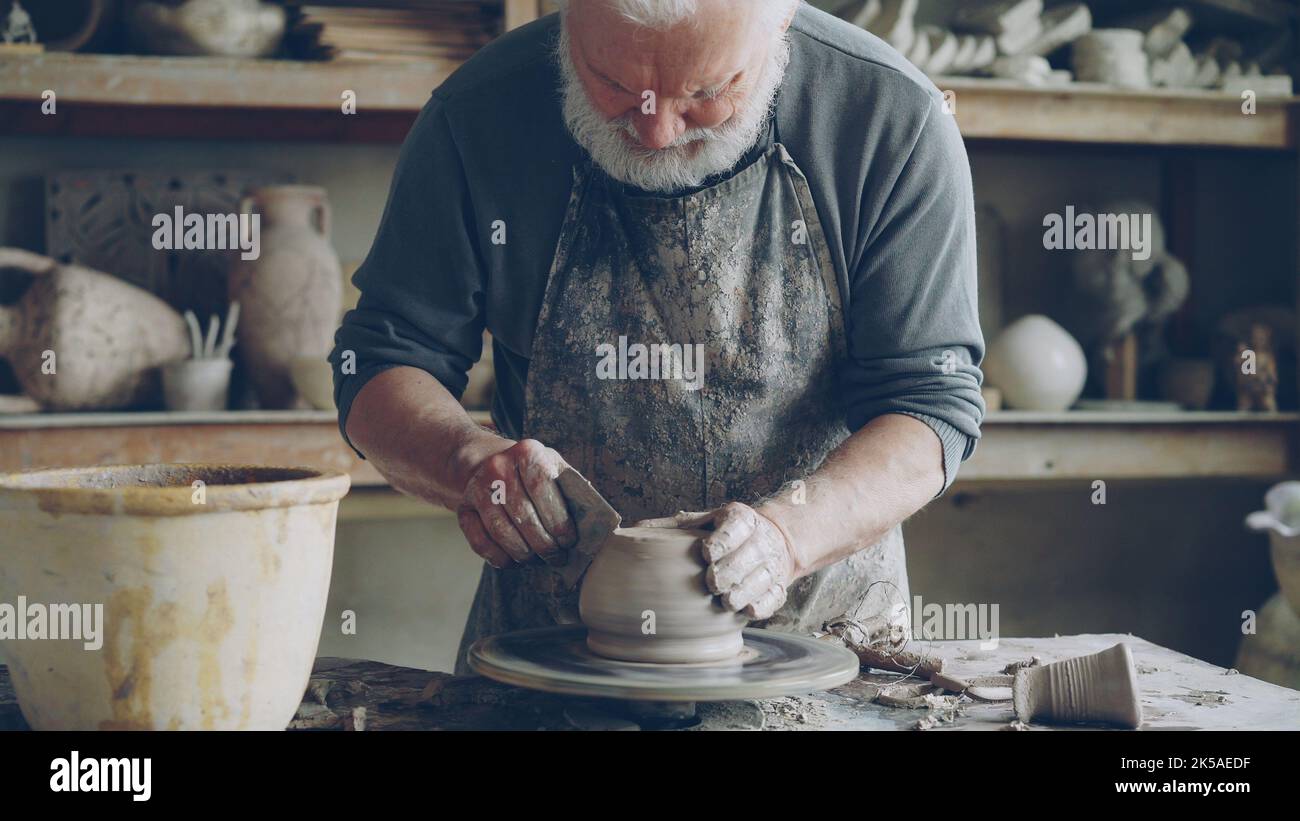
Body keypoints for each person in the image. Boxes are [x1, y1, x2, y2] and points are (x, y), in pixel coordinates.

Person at [331, 0, 985, 672]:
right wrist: (467, 461)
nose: (655, 130)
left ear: (782, 19)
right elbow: (380, 361)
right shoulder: (478, 117)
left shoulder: (888, 119)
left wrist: (787, 538)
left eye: (705, 93)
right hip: (560, 657)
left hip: (823, 647)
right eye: (613, 84)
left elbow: (931, 406)